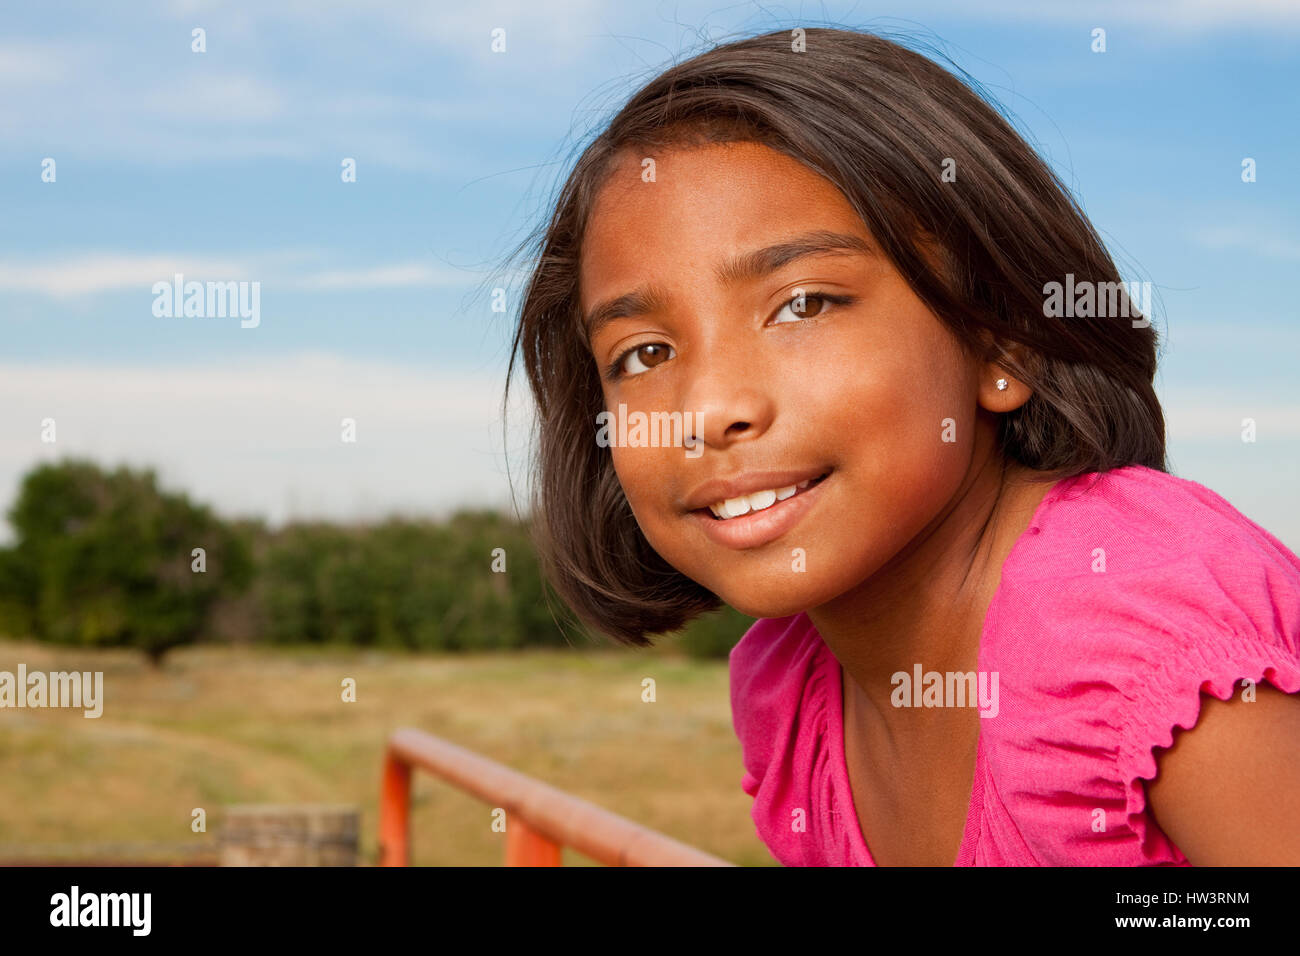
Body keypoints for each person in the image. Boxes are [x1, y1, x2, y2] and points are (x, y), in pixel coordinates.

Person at [504, 27, 1300, 865]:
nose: (708, 408)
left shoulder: (1141, 625)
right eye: (644, 355)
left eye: (803, 304)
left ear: (1001, 340)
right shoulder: (787, 693)